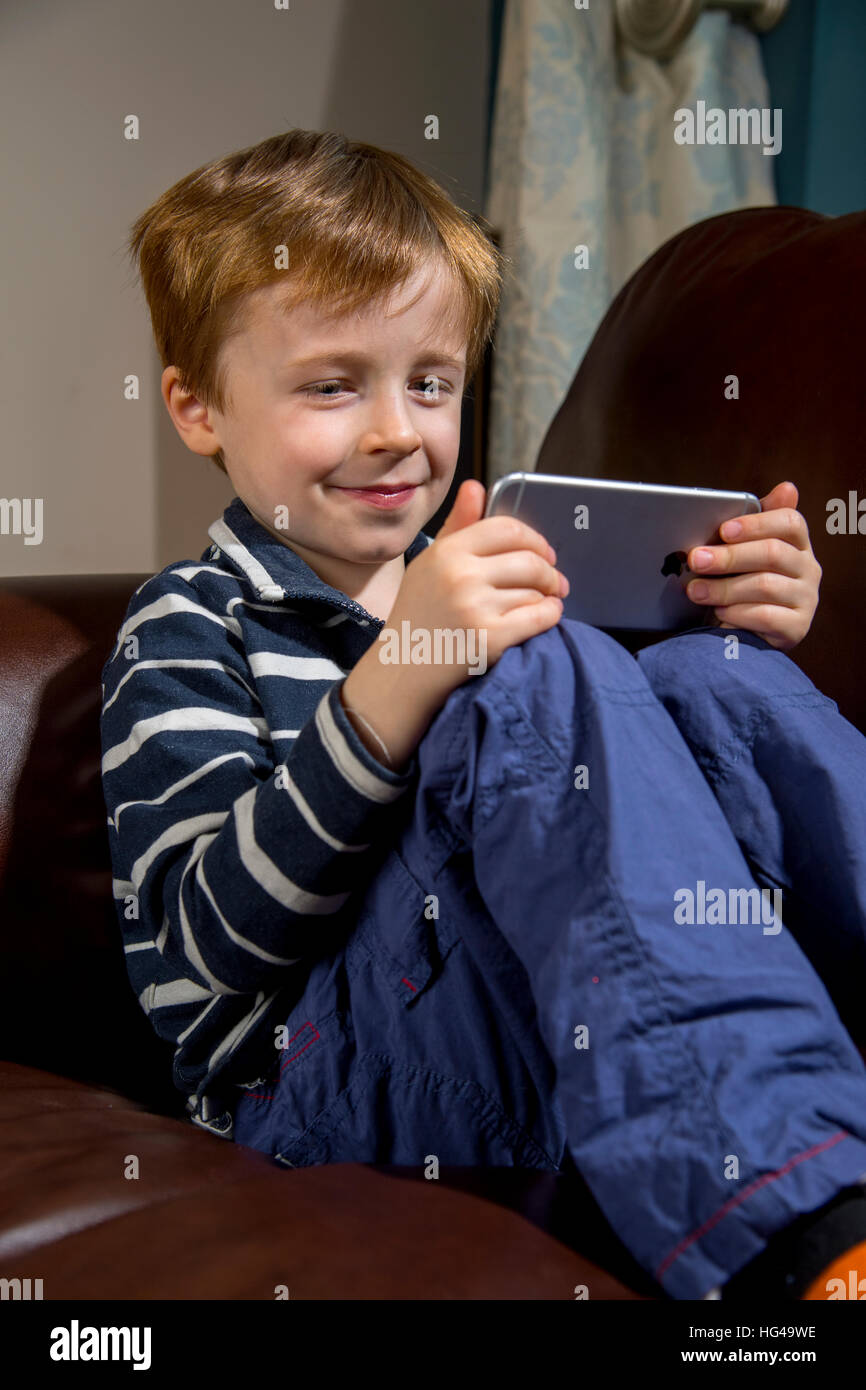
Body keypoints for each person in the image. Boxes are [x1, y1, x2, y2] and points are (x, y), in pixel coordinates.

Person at [100, 128, 866, 1301]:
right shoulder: (188, 625)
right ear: (199, 407)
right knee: (529, 667)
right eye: (329, 384)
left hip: (558, 1021)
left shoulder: (498, 574)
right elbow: (199, 968)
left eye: (430, 381)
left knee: (709, 676)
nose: (396, 429)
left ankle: (798, 1108)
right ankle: (798, 1224)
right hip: (314, 1088)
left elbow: (626, 834)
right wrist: (399, 675)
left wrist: (746, 620)